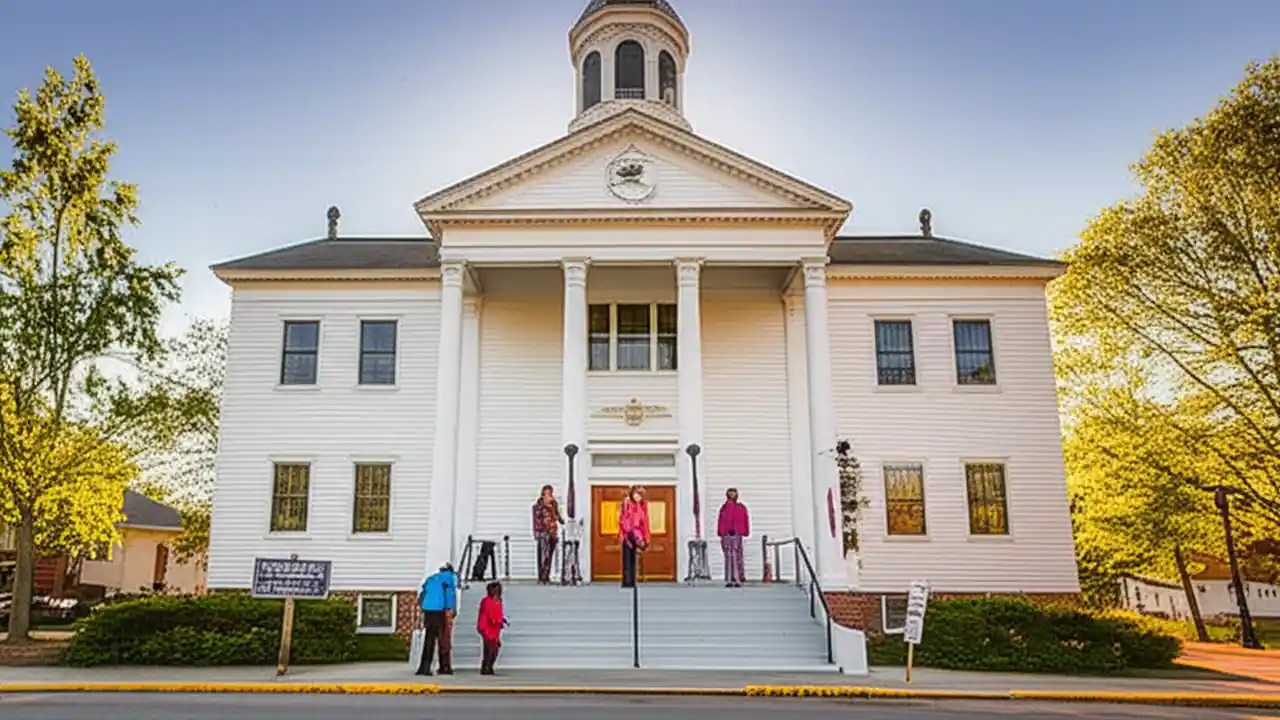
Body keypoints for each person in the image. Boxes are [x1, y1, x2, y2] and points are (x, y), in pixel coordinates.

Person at [416, 563, 458, 676]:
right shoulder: (449, 578)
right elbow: (450, 595)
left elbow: (423, 593)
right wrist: (452, 609)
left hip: (428, 610)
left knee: (429, 639)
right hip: (440, 610)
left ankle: (424, 667)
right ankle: (444, 667)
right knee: (442, 639)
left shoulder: (431, 578)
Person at [618, 485, 651, 588]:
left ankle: (633, 580)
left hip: (638, 534)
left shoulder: (642, 506)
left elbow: (645, 522)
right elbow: (623, 519)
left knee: (633, 558)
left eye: (640, 495)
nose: (638, 497)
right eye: (636, 494)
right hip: (627, 534)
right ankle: (627, 581)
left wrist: (646, 537)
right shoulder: (628, 504)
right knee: (627, 557)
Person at [717, 488, 750, 587]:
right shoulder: (724, 508)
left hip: (736, 534)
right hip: (727, 535)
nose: (732, 495)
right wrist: (722, 532)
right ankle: (729, 579)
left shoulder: (741, 507)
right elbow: (721, 521)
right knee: (728, 556)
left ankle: (737, 578)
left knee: (737, 556)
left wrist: (743, 531)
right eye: (730, 493)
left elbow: (744, 520)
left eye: (733, 493)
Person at [532, 485, 565, 584]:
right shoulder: (538, 506)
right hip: (543, 533)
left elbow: (558, 516)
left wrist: (562, 520)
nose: (549, 496)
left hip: (552, 532)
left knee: (549, 555)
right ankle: (541, 577)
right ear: (542, 495)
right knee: (543, 555)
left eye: (550, 493)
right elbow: (536, 519)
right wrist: (537, 533)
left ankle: (547, 576)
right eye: (546, 494)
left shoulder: (554, 504)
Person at [477, 581, 507, 675]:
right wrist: (498, 620)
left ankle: (489, 666)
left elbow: (498, 613)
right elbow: (489, 614)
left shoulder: (498, 601)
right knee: (489, 648)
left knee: (494, 647)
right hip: (487, 627)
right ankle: (486, 667)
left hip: (495, 628)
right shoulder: (487, 601)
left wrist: (502, 620)